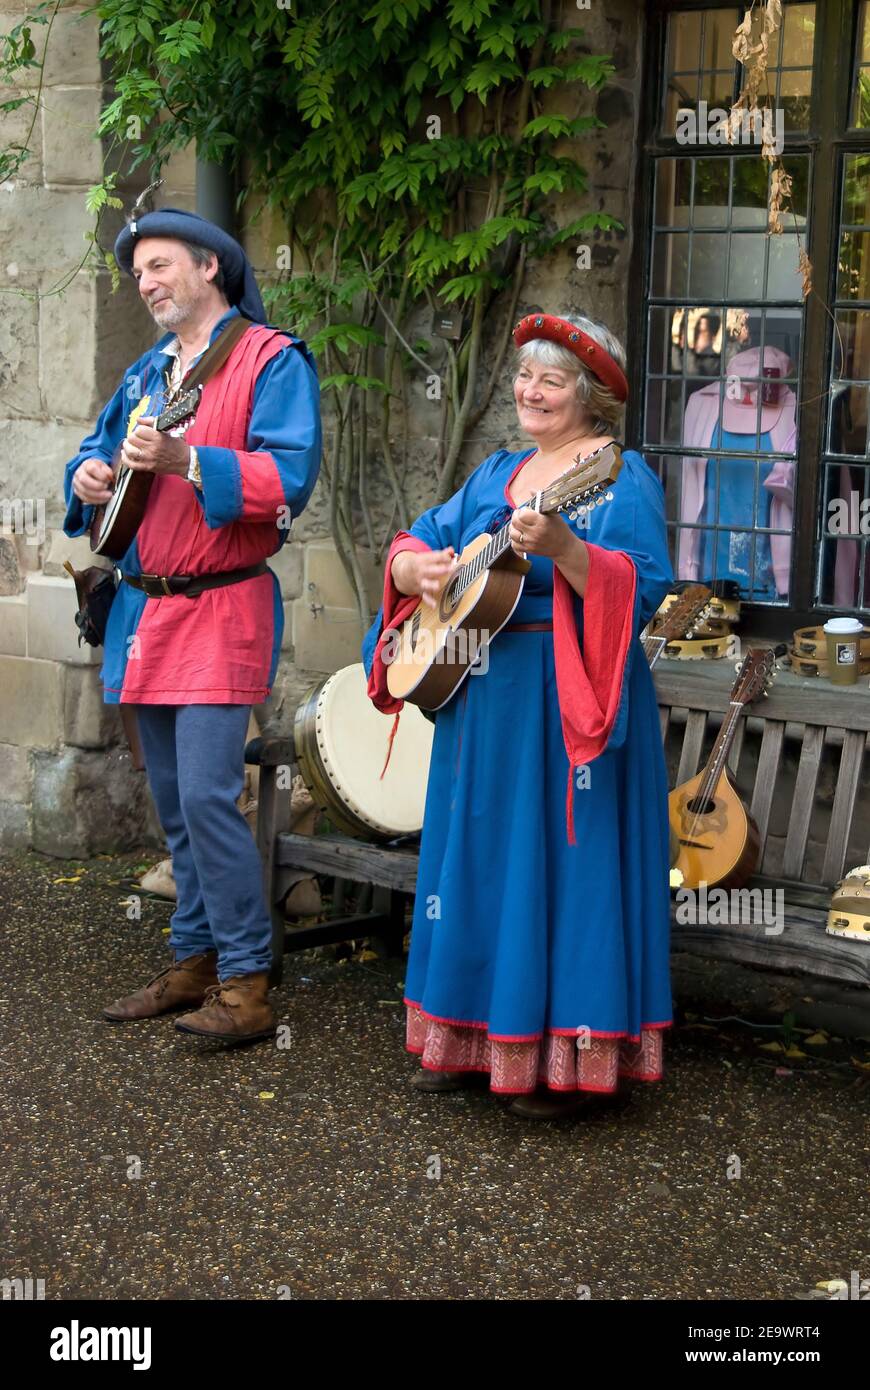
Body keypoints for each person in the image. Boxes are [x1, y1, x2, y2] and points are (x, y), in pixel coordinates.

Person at [364, 312, 674, 1119]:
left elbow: (644, 588)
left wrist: (569, 550)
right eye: (526, 376)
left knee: (566, 865)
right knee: (481, 859)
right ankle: (468, 1038)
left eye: (553, 380)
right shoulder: (496, 469)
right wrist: (413, 565)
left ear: (592, 396)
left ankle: (567, 1063)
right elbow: (422, 537)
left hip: (568, 697)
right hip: (482, 694)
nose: (530, 391)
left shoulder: (620, 477)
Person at [63, 207, 321, 1044]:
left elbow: (288, 478)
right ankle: (193, 960)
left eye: (161, 265)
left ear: (211, 266)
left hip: (221, 604)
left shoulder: (270, 360)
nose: (147, 283)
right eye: (138, 273)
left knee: (211, 798)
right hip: (144, 607)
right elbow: (86, 457)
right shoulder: (147, 373)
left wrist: (191, 461)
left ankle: (246, 986)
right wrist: (90, 474)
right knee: (174, 807)